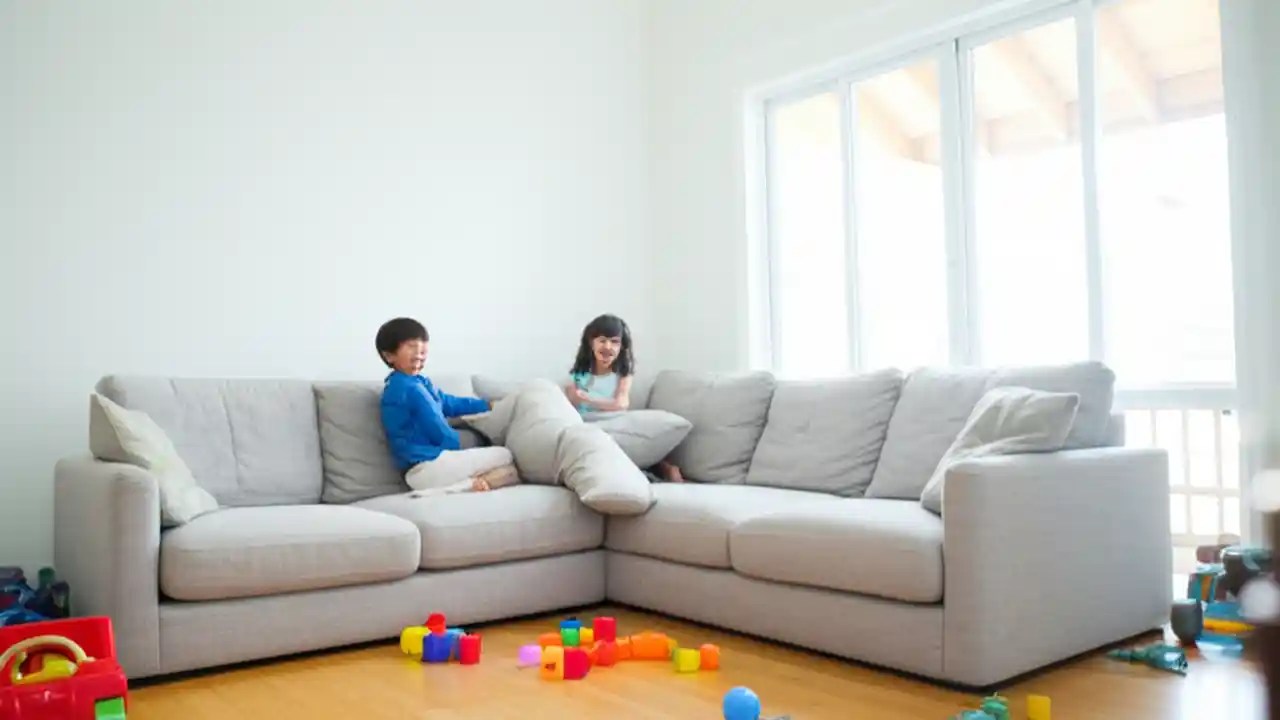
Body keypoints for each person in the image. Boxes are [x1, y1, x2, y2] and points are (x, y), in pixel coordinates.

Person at [377, 317, 517, 495]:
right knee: (505, 455)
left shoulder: (418, 383)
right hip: (427, 468)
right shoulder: (408, 389)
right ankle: (457, 488)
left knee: (509, 473)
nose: (420, 353)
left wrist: (485, 405)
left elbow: (448, 403)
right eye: (412, 347)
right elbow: (439, 429)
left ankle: (470, 484)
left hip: (425, 470)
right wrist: (464, 449)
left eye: (423, 348)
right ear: (389, 355)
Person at [565, 314, 683, 482]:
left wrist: (587, 399)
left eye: (614, 342)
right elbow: (572, 401)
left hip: (614, 421)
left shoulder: (622, 375)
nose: (608, 347)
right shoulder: (580, 375)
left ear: (622, 347)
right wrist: (576, 397)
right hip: (589, 423)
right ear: (591, 342)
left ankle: (661, 466)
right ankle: (651, 470)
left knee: (621, 445)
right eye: (602, 340)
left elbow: (621, 404)